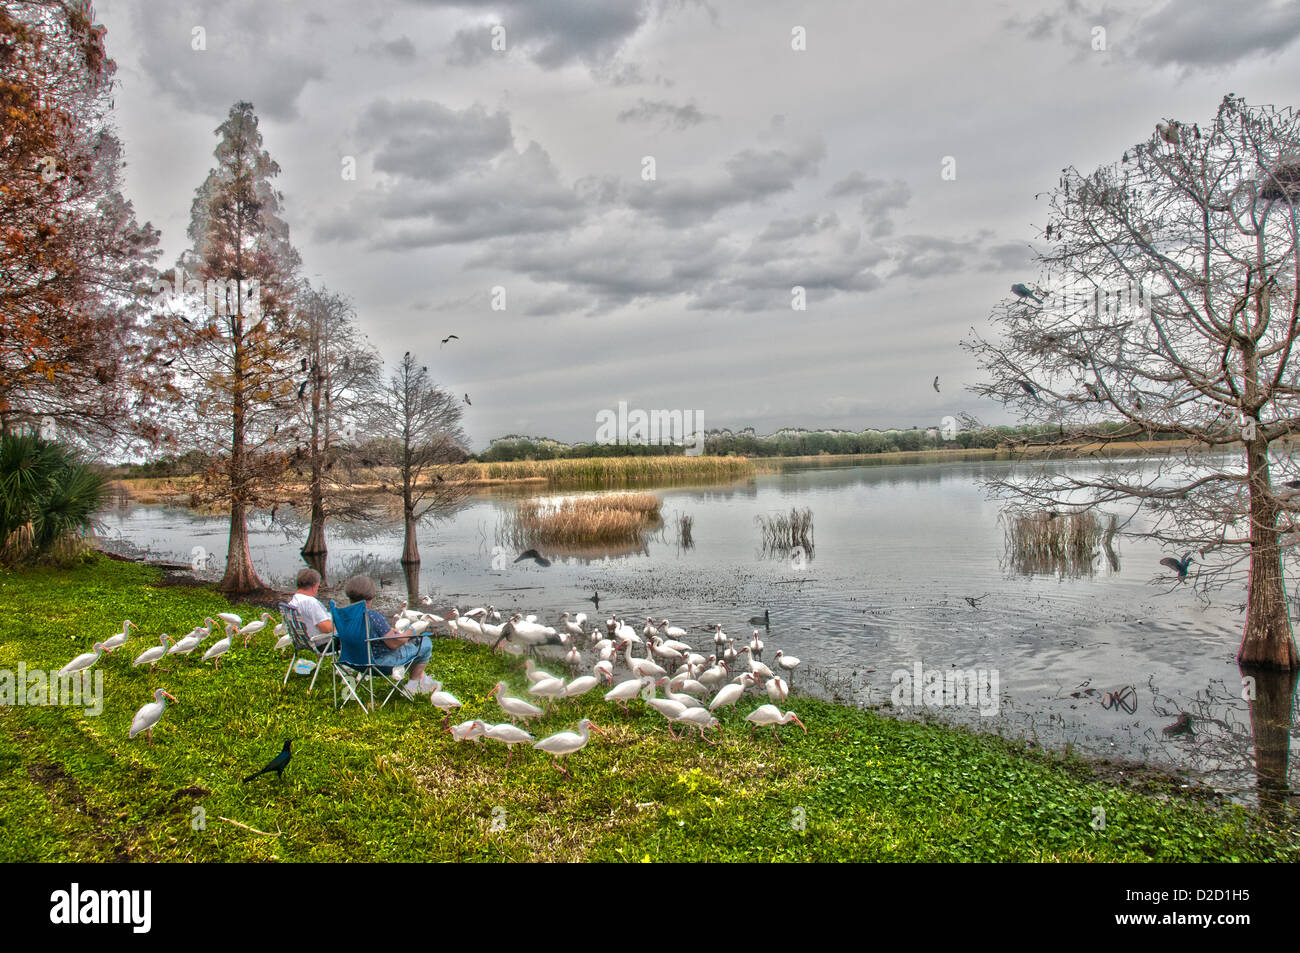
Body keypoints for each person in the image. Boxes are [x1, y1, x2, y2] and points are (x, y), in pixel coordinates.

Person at [343, 574, 433, 697]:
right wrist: (411, 631)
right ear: (371, 595)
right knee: (425, 643)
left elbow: (357, 633)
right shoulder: (373, 616)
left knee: (410, 646)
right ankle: (413, 685)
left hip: (352, 661)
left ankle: (423, 679)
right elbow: (394, 643)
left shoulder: (343, 616)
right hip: (380, 663)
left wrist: (388, 631)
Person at [286, 568, 334, 646]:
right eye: (318, 586)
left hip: (304, 642)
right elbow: (327, 628)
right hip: (323, 643)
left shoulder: (293, 601)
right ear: (314, 586)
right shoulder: (310, 602)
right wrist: (341, 625)